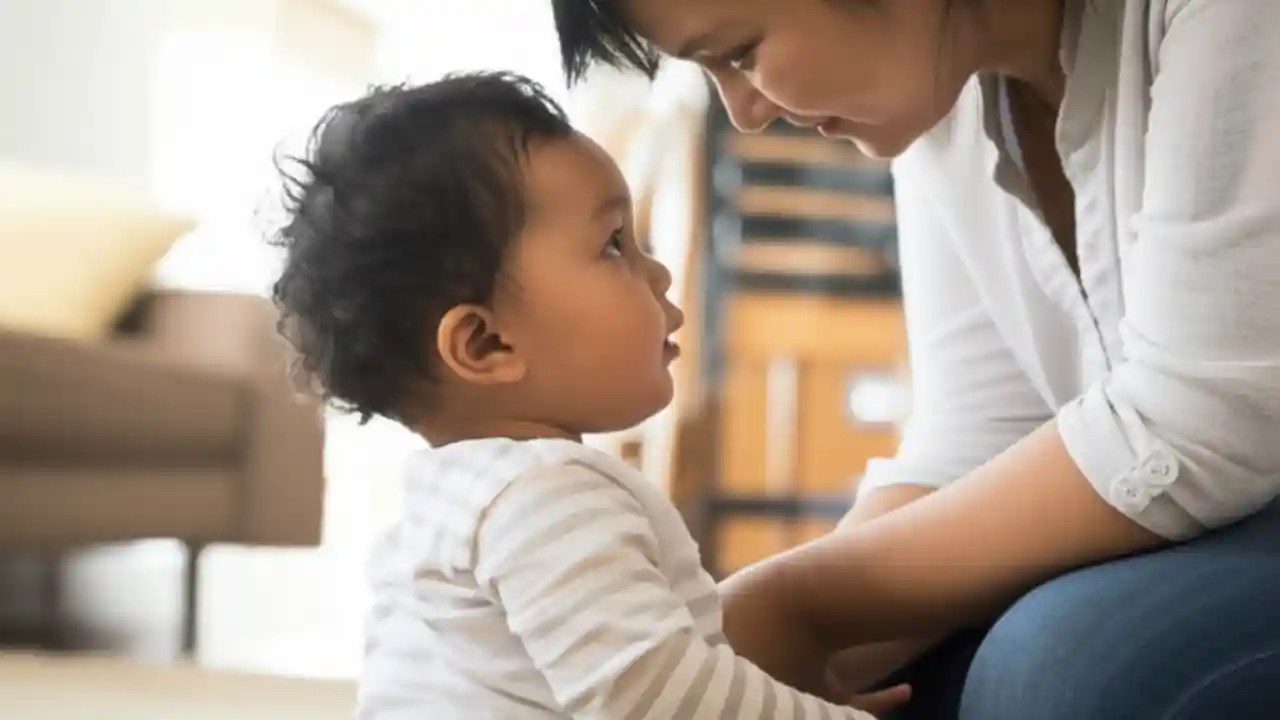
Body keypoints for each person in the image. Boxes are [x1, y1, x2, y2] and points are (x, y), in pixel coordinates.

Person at [552, 0, 1280, 717]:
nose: (744, 111)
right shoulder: (946, 95)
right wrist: (717, 658)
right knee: (895, 690)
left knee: (1062, 665)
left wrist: (803, 602)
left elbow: (1203, 421)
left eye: (740, 52)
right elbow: (976, 442)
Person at [270, 71, 904, 719]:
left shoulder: (442, 505)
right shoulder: (548, 495)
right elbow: (660, 698)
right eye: (614, 245)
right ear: (486, 344)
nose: (656, 271)